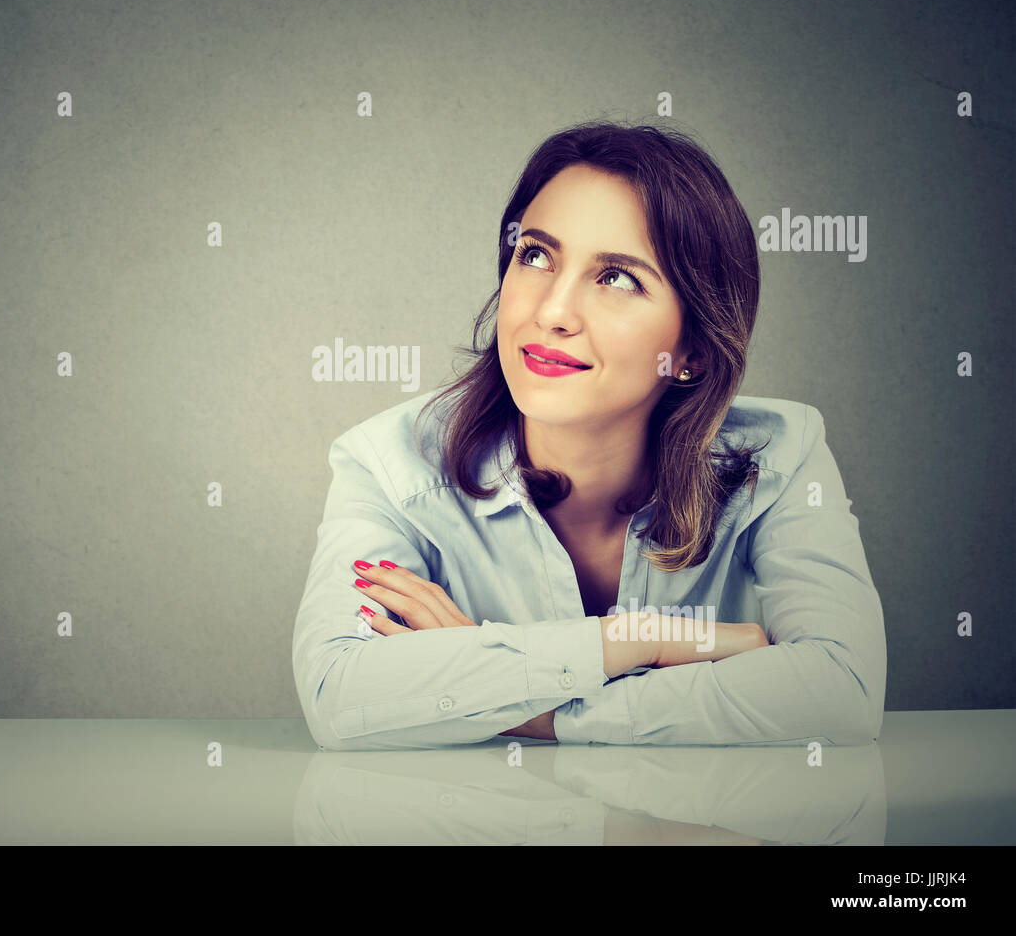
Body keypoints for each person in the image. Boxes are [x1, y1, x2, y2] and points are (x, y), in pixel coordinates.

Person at [291, 121, 886, 751]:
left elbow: (842, 694)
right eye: (536, 255)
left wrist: (533, 710)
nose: (550, 312)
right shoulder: (390, 465)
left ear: (695, 351)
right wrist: (639, 641)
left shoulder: (782, 458)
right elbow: (338, 696)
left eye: (618, 278)